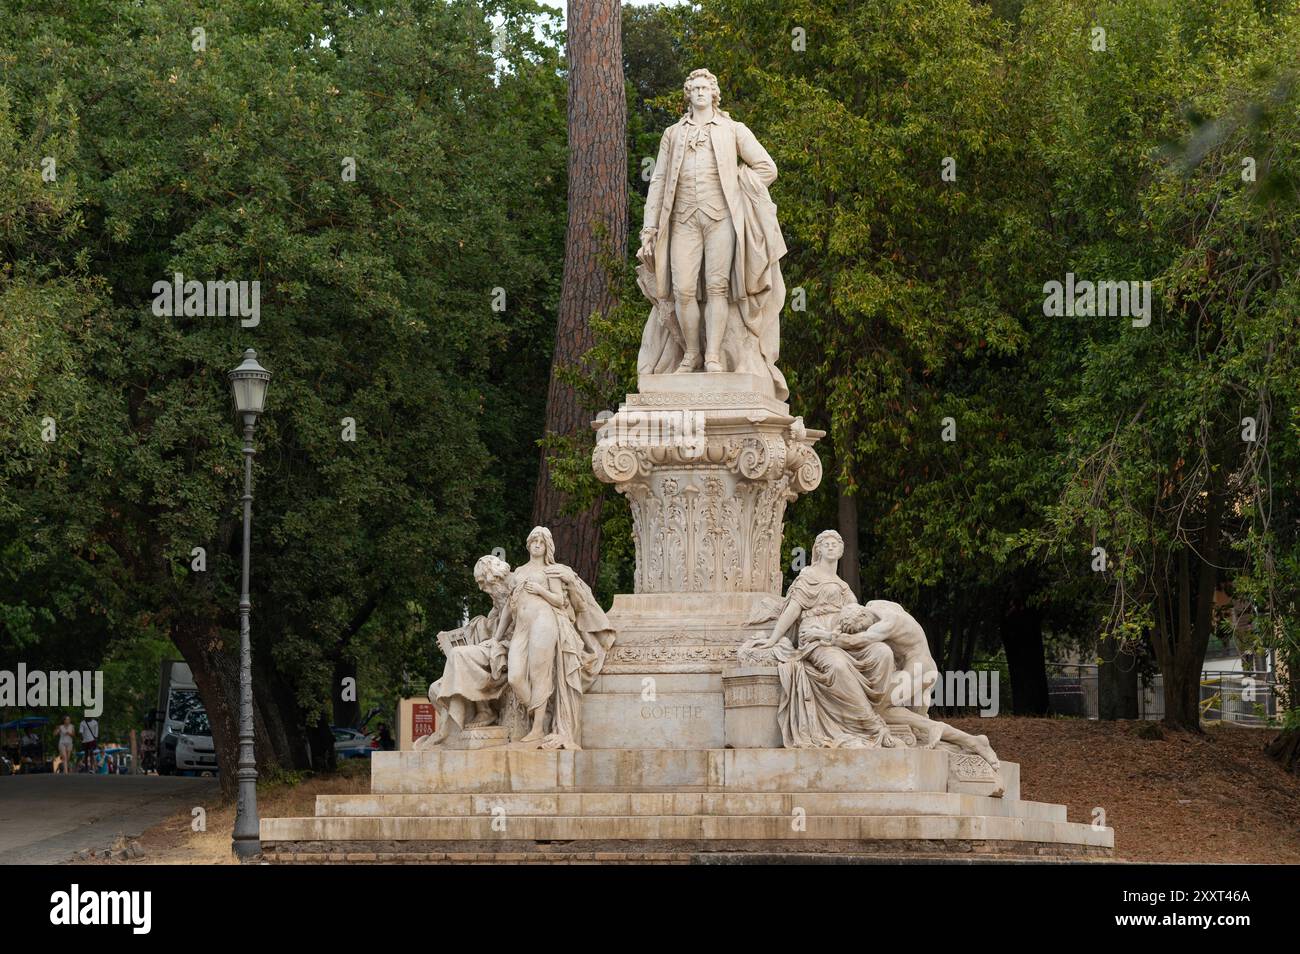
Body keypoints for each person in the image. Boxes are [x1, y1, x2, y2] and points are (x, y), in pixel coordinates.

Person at [498, 527, 616, 749]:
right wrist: (496, 638)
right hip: (521, 627)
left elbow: (560, 601)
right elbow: (507, 607)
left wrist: (540, 591)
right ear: (528, 544)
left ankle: (537, 728)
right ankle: (541, 709)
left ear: (547, 547)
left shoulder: (551, 571)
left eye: (541, 542)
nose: (536, 545)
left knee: (539, 673)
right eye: (533, 541)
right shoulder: (519, 572)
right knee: (515, 676)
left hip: (544, 623)